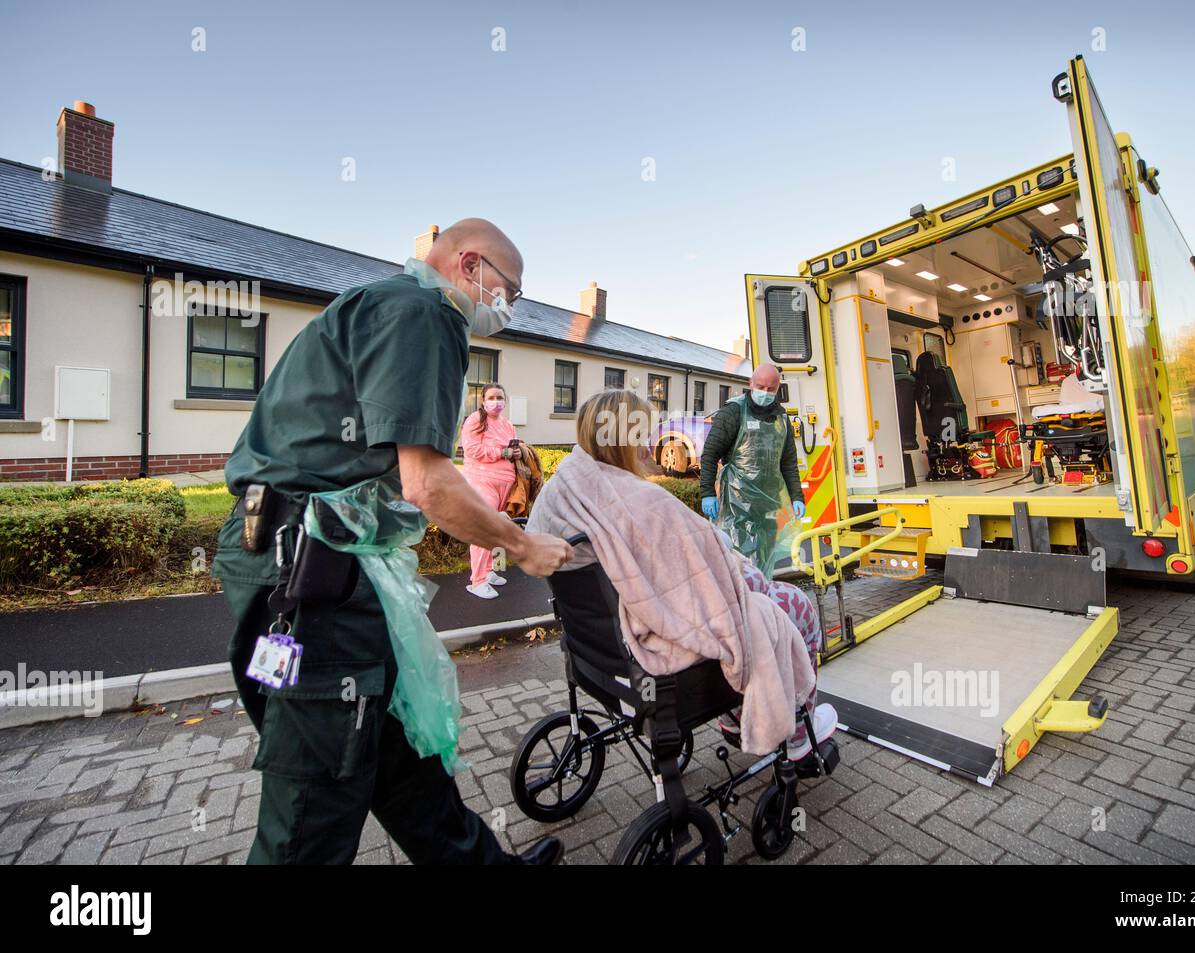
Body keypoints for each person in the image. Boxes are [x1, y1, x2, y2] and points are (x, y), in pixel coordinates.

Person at [213, 218, 572, 865]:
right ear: (469, 264)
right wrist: (522, 544)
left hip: (303, 558)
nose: (510, 309)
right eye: (509, 290)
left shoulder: (379, 304)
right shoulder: (426, 313)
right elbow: (428, 483)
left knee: (397, 752)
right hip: (311, 577)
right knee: (312, 809)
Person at [527, 390, 836, 761]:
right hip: (655, 648)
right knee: (792, 605)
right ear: (623, 439)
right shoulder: (640, 504)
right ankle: (799, 733)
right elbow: (708, 576)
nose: (650, 445)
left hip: (594, 649)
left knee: (750, 597)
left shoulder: (562, 491)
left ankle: (735, 718)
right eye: (643, 434)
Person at [699, 363, 806, 577]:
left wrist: (797, 496)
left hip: (768, 505)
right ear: (750, 383)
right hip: (736, 505)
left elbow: (787, 463)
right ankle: (740, 604)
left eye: (770, 389)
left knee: (763, 561)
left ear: (778, 389)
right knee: (738, 562)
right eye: (760, 387)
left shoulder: (781, 419)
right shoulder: (733, 412)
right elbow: (710, 455)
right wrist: (708, 493)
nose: (765, 393)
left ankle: (762, 601)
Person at [460, 382, 520, 599]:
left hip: (505, 483)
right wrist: (502, 452)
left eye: (500, 397)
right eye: (492, 397)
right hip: (483, 481)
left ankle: (491, 570)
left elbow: (511, 451)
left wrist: (517, 453)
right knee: (484, 529)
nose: (497, 402)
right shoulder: (474, 420)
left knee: (499, 529)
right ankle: (477, 581)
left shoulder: (508, 425)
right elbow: (472, 449)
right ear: (483, 401)